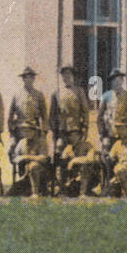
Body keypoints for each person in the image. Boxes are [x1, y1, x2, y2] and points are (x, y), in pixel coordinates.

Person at [50, 66, 95, 196]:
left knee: (79, 156)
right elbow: (52, 114)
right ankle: (62, 187)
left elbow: (85, 112)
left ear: (73, 76)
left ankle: (80, 187)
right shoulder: (57, 93)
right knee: (60, 155)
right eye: (64, 75)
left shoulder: (79, 91)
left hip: (75, 130)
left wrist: (85, 128)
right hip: (62, 131)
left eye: (69, 75)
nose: (66, 77)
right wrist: (54, 131)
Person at [8, 67, 50, 196]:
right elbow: (10, 116)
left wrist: (44, 131)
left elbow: (44, 115)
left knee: (37, 154)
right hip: (19, 131)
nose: (28, 80)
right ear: (23, 79)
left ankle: (37, 185)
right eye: (25, 77)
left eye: (30, 77)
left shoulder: (39, 95)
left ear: (34, 79)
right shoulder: (17, 95)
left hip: (34, 131)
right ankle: (22, 181)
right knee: (12, 151)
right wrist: (11, 133)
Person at [98, 69, 127, 197]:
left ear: (122, 80)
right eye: (114, 80)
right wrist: (102, 134)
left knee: (125, 159)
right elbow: (100, 117)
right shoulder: (106, 96)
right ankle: (107, 186)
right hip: (110, 134)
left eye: (119, 79)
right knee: (107, 160)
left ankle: (126, 188)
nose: (117, 82)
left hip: (124, 135)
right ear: (111, 82)